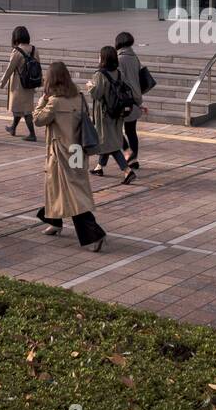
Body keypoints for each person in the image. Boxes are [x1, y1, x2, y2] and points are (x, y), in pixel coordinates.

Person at [32, 62, 105, 249]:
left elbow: (38, 119)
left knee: (71, 194)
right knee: (65, 187)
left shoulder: (54, 102)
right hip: (78, 150)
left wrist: (42, 99)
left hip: (61, 152)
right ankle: (54, 222)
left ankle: (94, 234)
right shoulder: (79, 97)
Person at [87, 45, 135, 183]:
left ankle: (127, 171)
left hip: (105, 114)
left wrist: (90, 86)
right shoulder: (118, 73)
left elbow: (97, 94)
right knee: (111, 140)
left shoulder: (100, 74)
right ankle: (99, 167)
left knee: (109, 144)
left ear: (104, 59)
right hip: (118, 113)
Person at [0, 25, 40, 141]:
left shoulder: (16, 51)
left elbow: (9, 69)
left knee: (25, 110)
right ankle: (13, 128)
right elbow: (38, 67)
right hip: (30, 83)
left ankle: (32, 134)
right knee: (21, 107)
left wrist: (2, 83)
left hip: (18, 84)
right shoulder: (34, 49)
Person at [115, 31, 144, 169]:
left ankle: (129, 155)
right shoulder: (134, 57)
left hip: (126, 99)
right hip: (137, 97)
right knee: (131, 131)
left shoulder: (120, 59)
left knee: (115, 129)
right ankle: (134, 159)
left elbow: (119, 79)